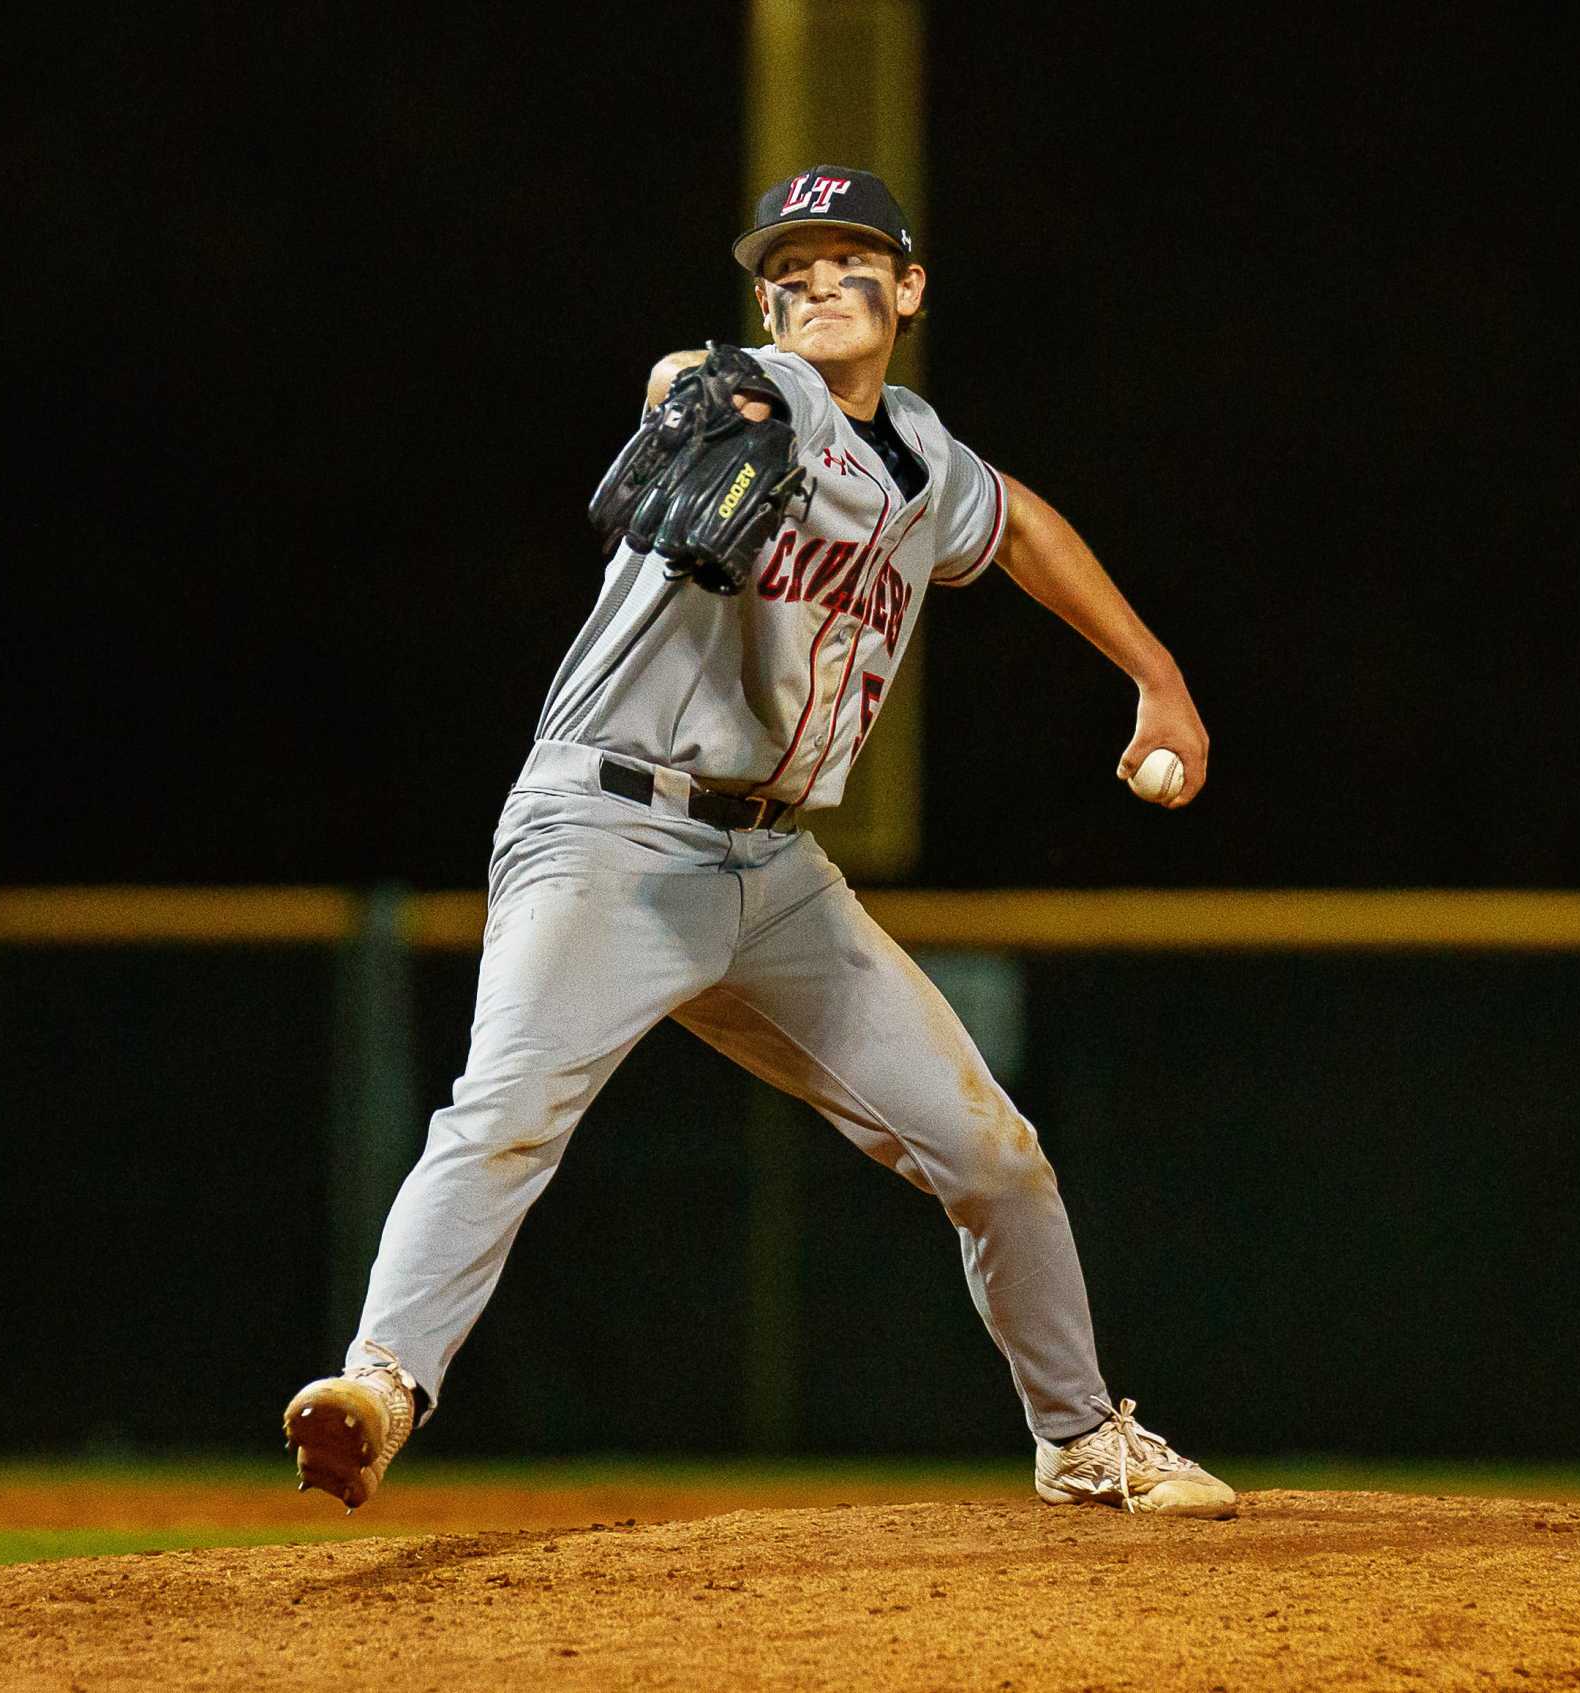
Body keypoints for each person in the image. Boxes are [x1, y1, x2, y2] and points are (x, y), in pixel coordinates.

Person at [284, 166, 1232, 1518]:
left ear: (908, 291)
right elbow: (698, 375)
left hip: (777, 874)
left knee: (997, 1156)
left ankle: (1081, 1436)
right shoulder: (760, 391)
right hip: (608, 830)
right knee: (506, 1108)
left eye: (850, 262)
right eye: (788, 269)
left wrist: (1158, 675)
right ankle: (378, 1389)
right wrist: (700, 387)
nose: (813, 284)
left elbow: (1017, 524)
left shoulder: (924, 459)